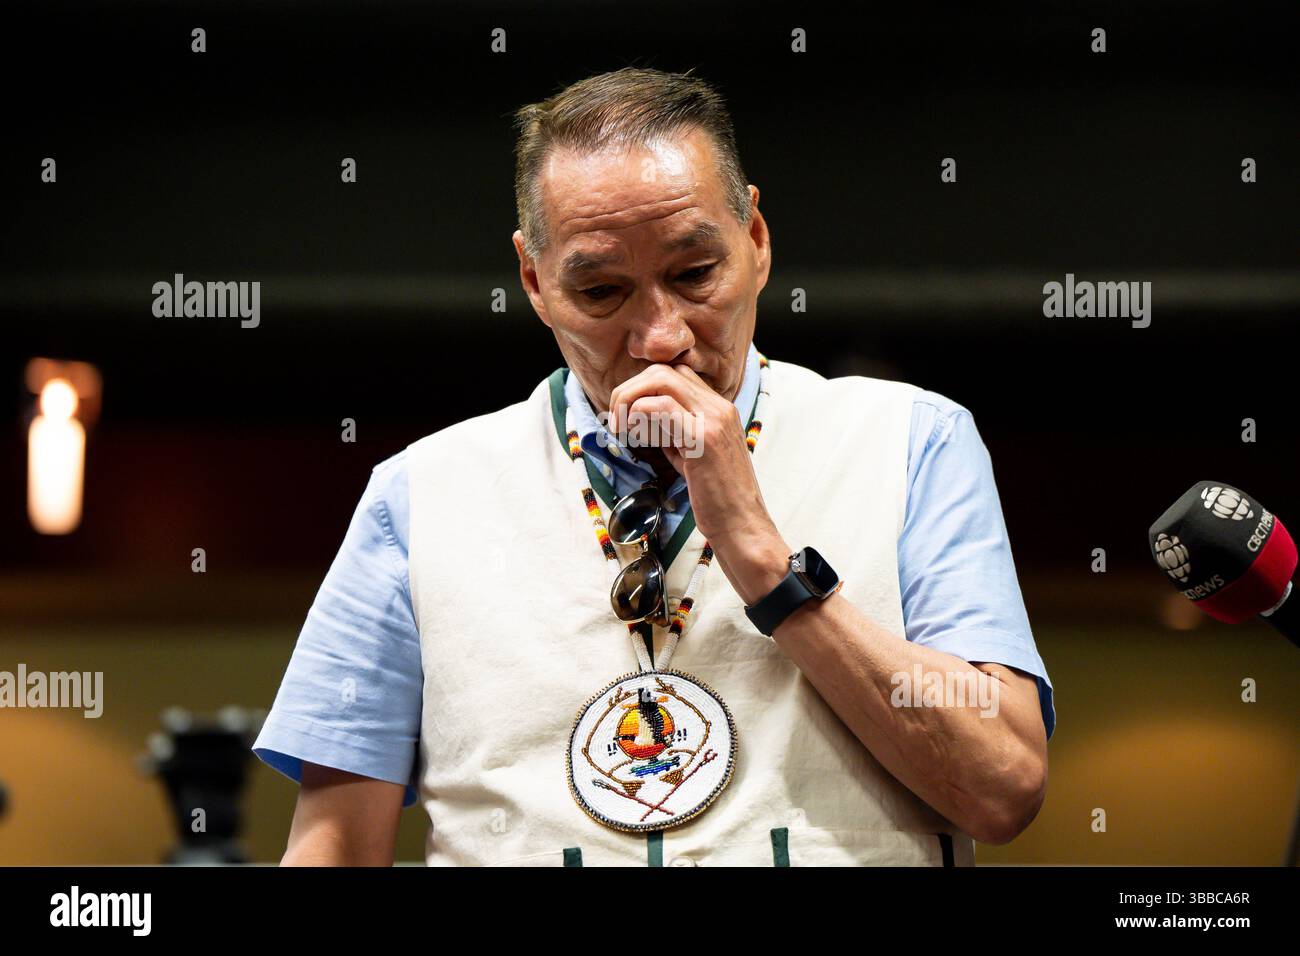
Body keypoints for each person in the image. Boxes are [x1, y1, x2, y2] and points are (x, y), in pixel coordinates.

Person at [252, 67, 1054, 866]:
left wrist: (760, 555)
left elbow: (1002, 786)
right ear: (533, 279)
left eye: (695, 274)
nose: (662, 337)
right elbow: (332, 851)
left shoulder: (912, 440)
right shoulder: (420, 494)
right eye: (602, 291)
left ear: (757, 241)